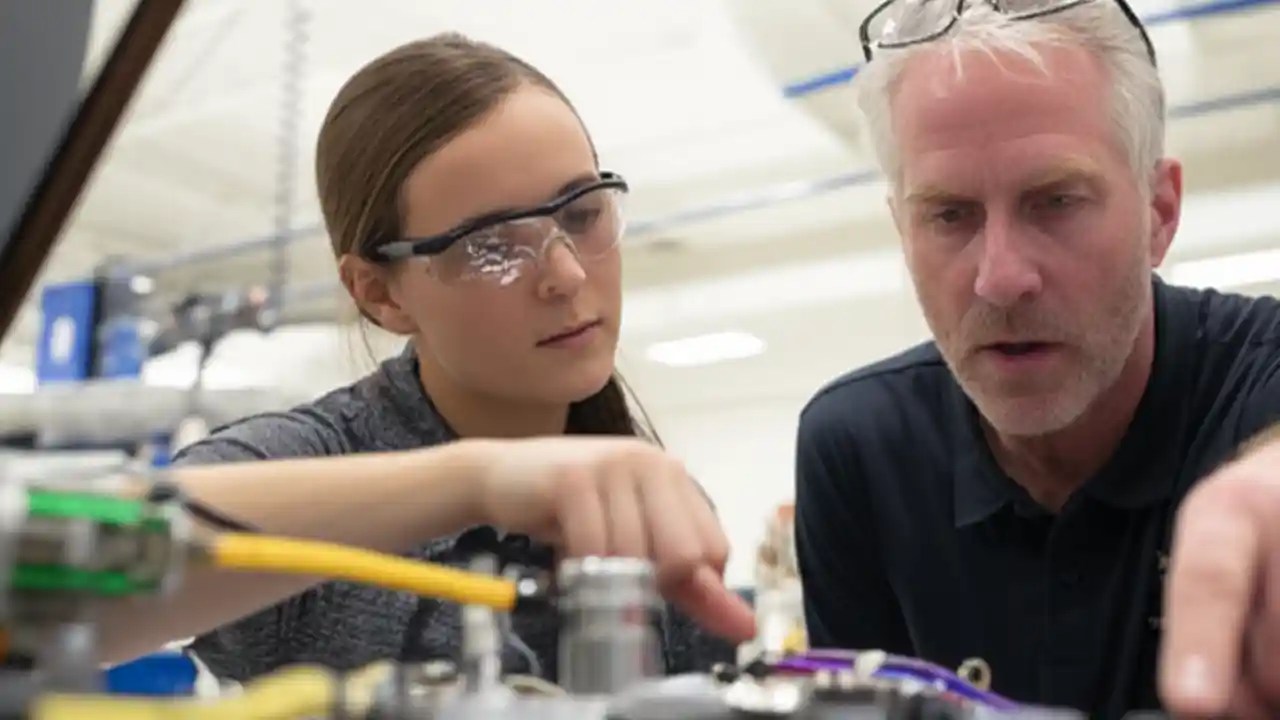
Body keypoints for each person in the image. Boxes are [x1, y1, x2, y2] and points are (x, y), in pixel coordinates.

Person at [98, 33, 755, 681]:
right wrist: (476, 482)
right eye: (492, 244)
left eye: (582, 213)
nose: (567, 275)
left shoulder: (654, 504)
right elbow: (75, 570)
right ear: (381, 294)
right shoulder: (312, 461)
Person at [794, 0, 1280, 717]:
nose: (1000, 277)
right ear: (903, 231)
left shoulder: (1260, 379)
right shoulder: (859, 449)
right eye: (949, 214)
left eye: (1056, 201)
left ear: (1159, 213)